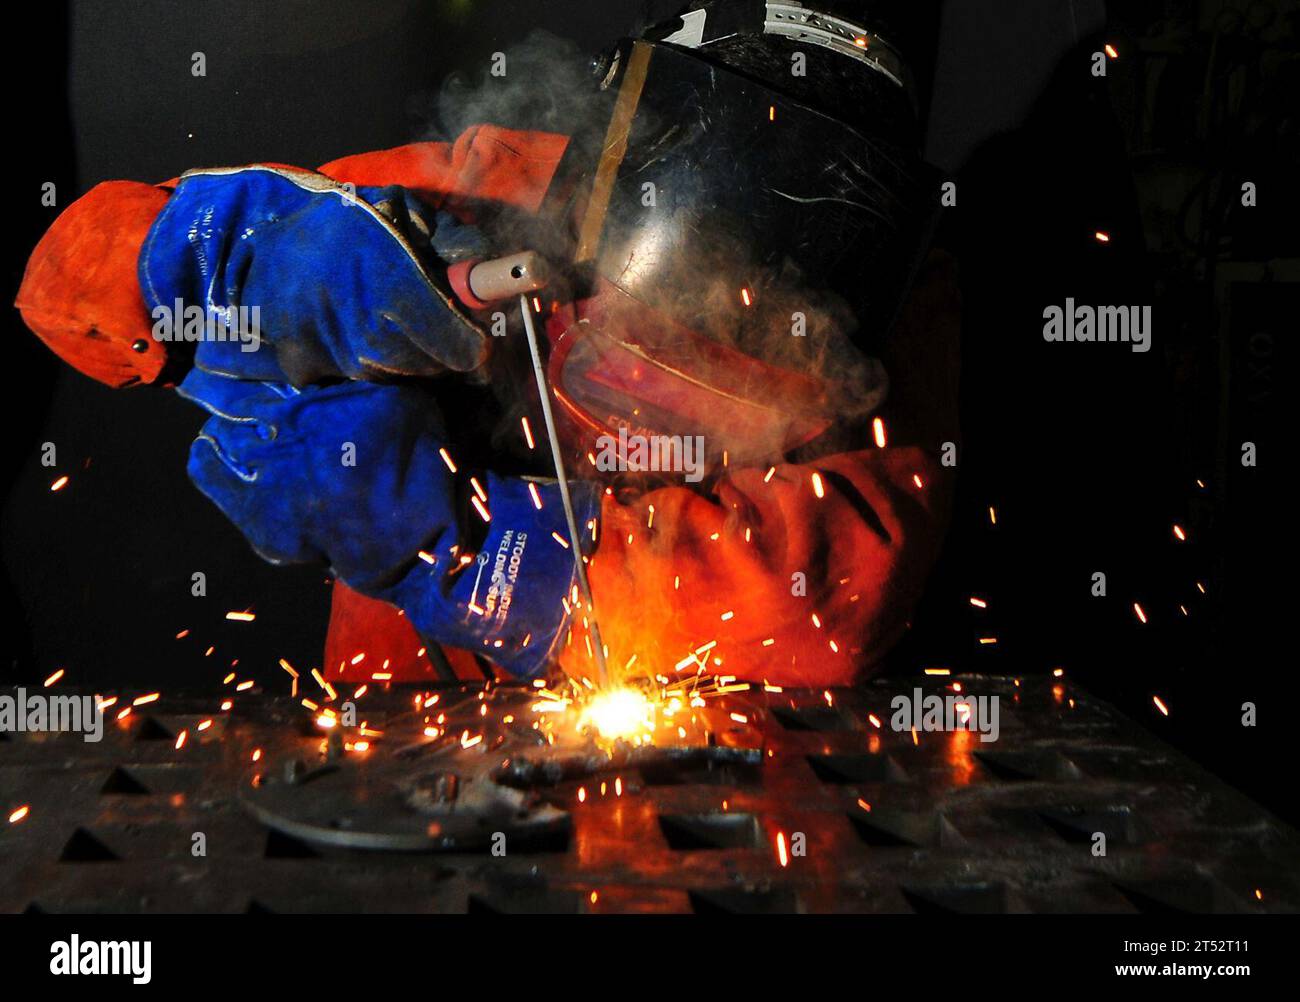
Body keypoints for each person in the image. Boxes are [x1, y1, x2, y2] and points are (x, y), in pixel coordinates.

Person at [15, 2, 959, 689]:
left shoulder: (895, 316)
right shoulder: (489, 188)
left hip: (706, 798)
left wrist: (470, 554)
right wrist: (200, 260)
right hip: (406, 740)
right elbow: (64, 289)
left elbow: (822, 610)